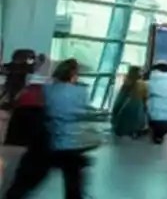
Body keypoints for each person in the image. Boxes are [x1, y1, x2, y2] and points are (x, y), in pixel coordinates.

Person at [5, 59, 94, 199]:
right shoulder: (80, 92)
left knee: (25, 183)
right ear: (73, 74)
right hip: (71, 144)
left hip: (47, 142)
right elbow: (81, 113)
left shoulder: (47, 89)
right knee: (74, 184)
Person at [110, 65, 148, 138]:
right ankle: (134, 132)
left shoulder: (127, 82)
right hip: (137, 106)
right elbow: (145, 98)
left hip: (126, 106)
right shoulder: (143, 84)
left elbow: (120, 99)